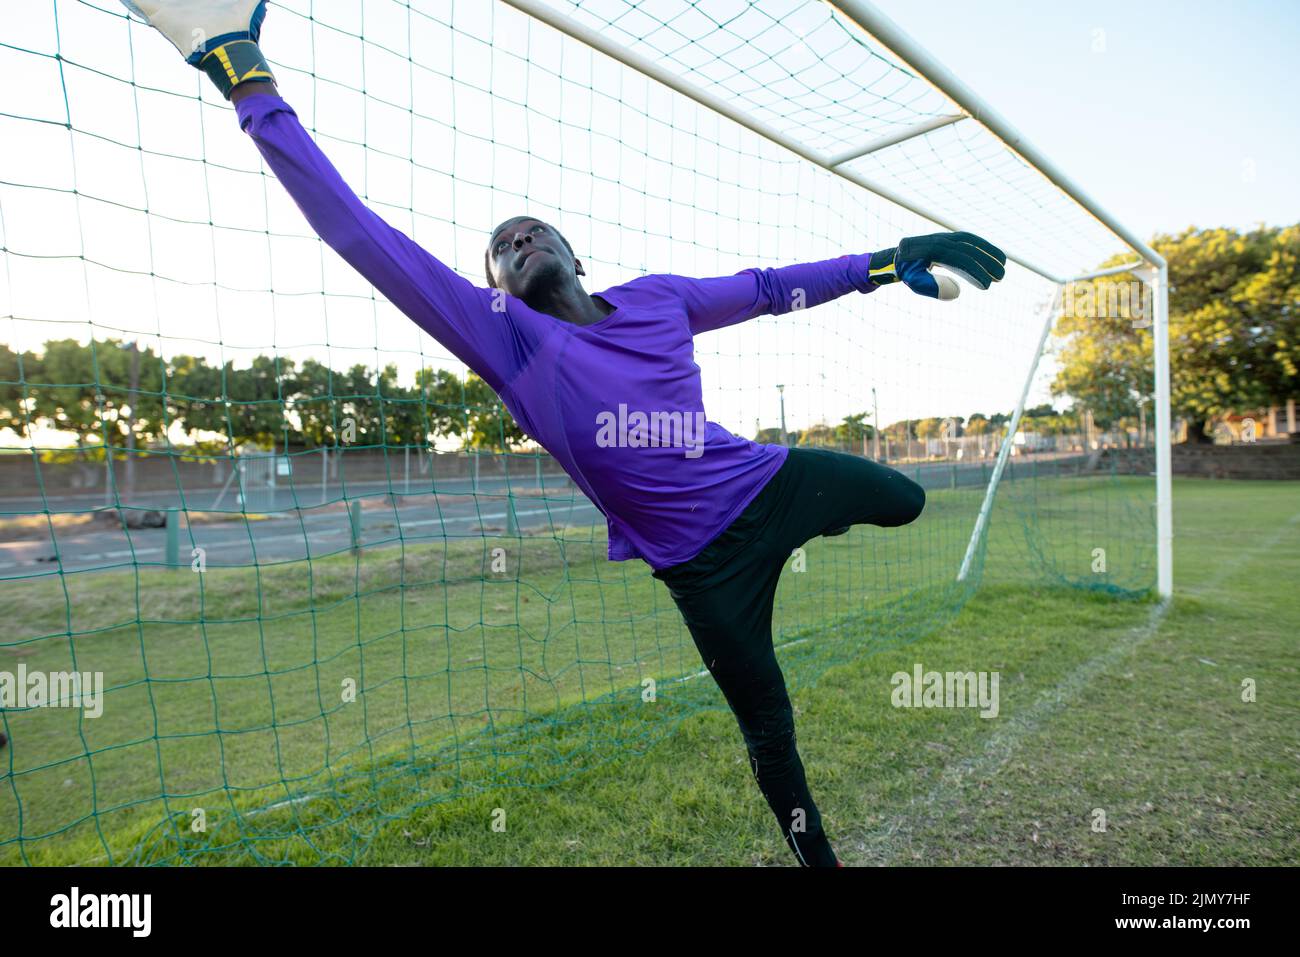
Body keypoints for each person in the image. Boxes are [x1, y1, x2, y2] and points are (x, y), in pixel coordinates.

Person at [123, 0, 1007, 866]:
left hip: (769, 484)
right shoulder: (505, 340)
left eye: (533, 230)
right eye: (502, 249)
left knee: (907, 497)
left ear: (576, 254)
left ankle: (820, 522)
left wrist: (885, 265)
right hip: (703, 571)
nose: (518, 240)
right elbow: (357, 231)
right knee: (772, 734)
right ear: (498, 289)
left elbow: (770, 286)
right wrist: (249, 82)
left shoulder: (661, 299)